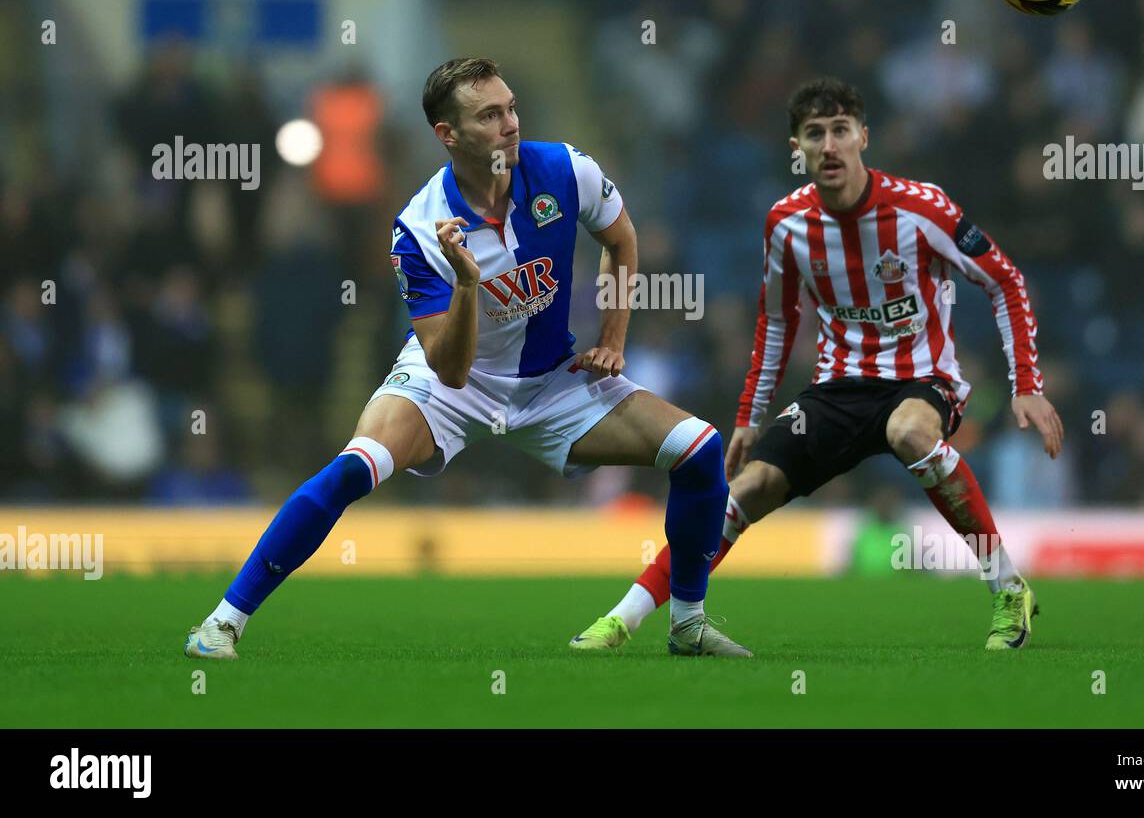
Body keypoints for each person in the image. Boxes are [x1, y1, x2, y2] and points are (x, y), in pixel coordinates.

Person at [184, 58, 750, 660]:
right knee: (355, 467)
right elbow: (449, 369)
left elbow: (621, 237)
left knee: (699, 449)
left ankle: (687, 625)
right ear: (447, 134)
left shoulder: (565, 169)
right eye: (489, 115)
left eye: (510, 108)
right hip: (450, 385)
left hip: (552, 381)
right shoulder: (421, 228)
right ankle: (222, 622)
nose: (509, 125)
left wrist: (613, 337)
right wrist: (464, 286)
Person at [570, 77, 1063, 652]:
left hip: (921, 380)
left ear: (862, 137)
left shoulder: (921, 207)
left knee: (909, 430)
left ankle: (1007, 587)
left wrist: (1026, 384)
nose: (828, 145)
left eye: (839, 130)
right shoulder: (786, 223)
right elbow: (775, 323)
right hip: (836, 390)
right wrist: (751, 417)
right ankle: (624, 619)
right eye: (813, 134)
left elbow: (1004, 280)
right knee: (746, 491)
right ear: (796, 150)